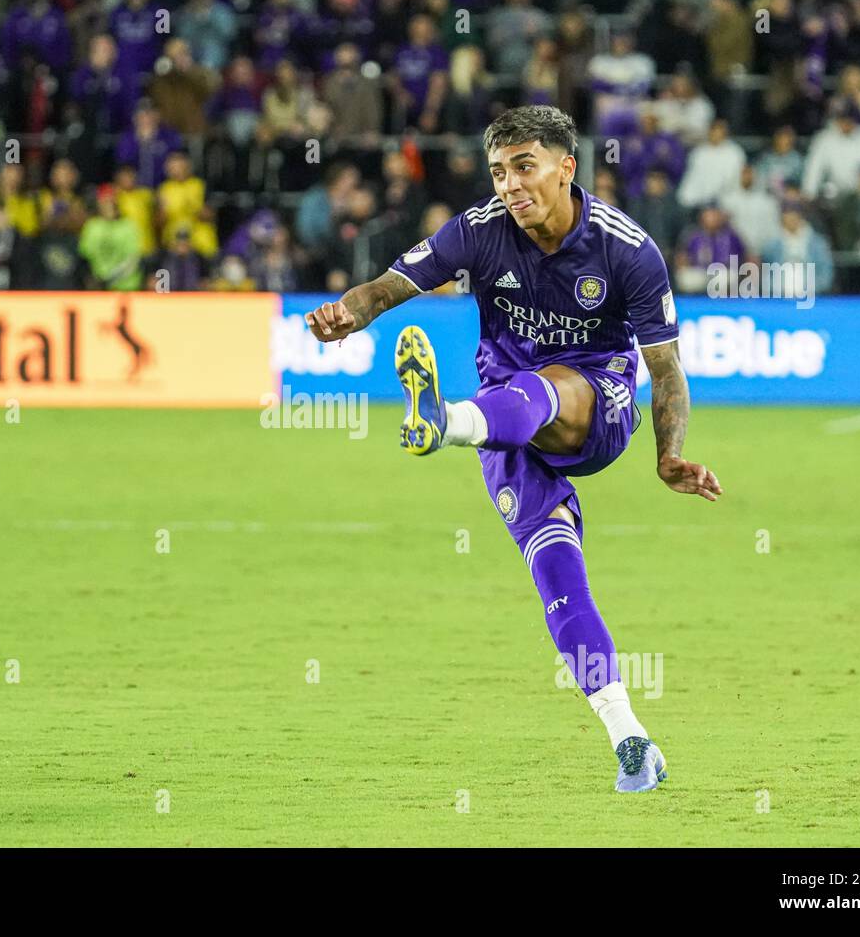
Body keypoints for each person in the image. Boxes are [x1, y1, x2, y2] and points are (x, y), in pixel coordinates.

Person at [305, 106, 722, 793]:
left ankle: (444, 423)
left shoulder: (627, 249)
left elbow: (666, 368)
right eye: (499, 171)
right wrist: (348, 313)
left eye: (524, 167)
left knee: (546, 386)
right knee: (559, 583)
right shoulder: (480, 230)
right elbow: (388, 286)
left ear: (566, 167)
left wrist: (667, 453)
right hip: (502, 422)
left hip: (595, 403)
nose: (509, 184)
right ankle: (632, 741)